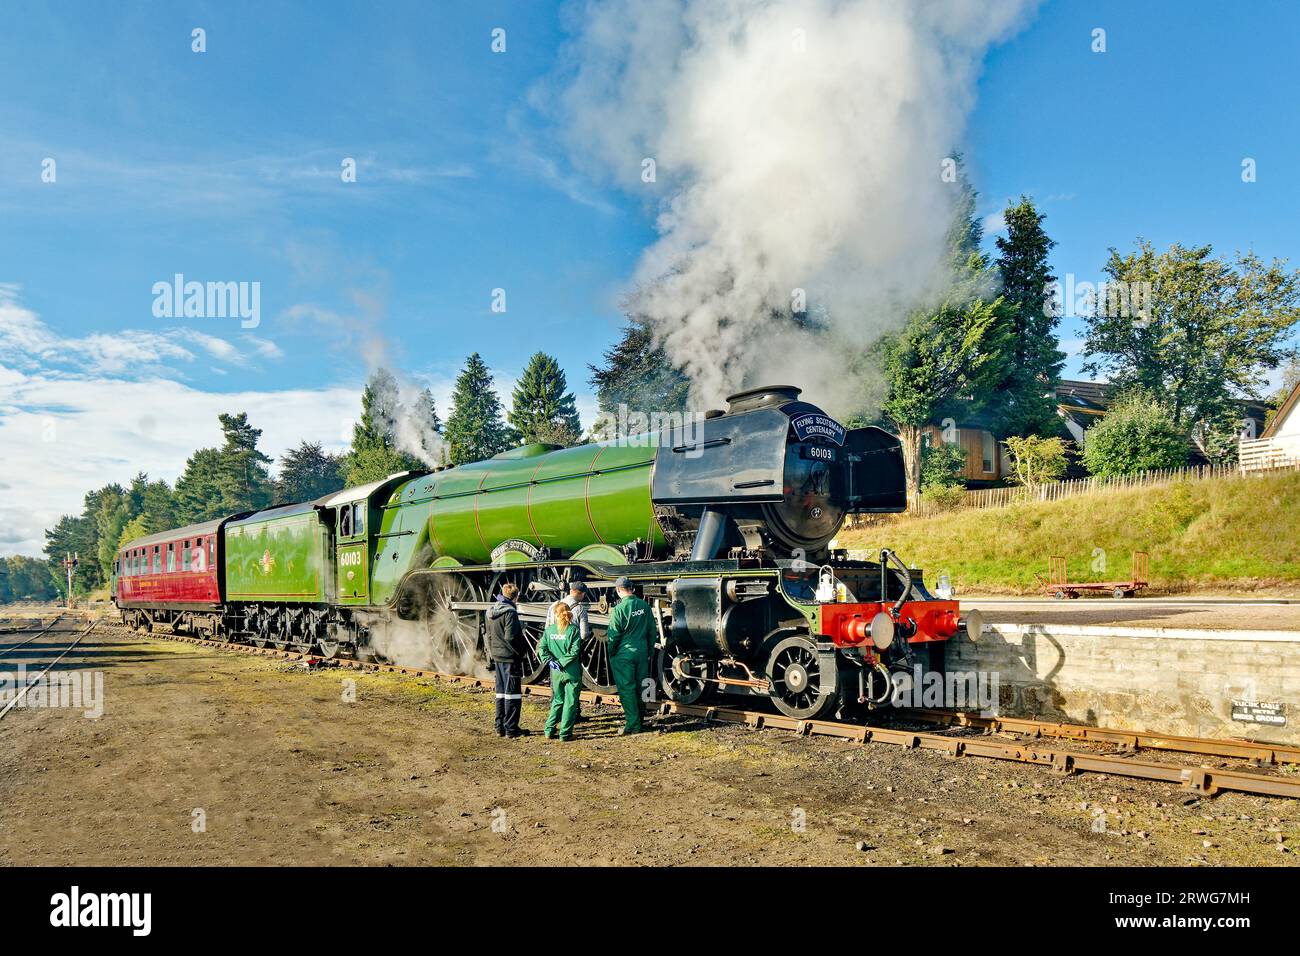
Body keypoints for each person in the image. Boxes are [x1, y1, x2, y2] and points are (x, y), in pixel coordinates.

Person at [604, 576, 656, 735]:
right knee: (642, 686)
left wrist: (611, 652)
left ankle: (633, 725)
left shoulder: (618, 610)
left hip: (624, 654)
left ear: (618, 590)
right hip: (641, 651)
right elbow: (652, 630)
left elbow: (613, 636)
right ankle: (640, 719)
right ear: (632, 588)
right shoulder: (644, 605)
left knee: (627, 688)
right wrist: (650, 651)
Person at [485, 583, 529, 738]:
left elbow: (488, 635)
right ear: (515, 597)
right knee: (512, 694)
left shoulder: (491, 611)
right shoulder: (510, 613)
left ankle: (499, 726)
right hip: (510, 658)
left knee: (501, 693)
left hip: (497, 656)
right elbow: (510, 636)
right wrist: (521, 651)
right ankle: (511, 728)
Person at [547, 580, 591, 720]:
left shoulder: (553, 606)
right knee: (572, 686)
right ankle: (573, 715)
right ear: (581, 594)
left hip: (555, 652)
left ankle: (555, 716)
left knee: (556, 685)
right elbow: (584, 634)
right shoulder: (579, 609)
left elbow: (547, 629)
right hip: (571, 654)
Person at [539, 600, 582, 741]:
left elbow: (542, 649)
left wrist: (551, 661)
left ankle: (549, 730)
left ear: (556, 614)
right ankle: (565, 734)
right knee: (570, 702)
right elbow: (574, 651)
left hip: (556, 673)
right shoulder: (574, 631)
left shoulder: (549, 631)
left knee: (557, 700)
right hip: (572, 671)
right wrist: (562, 662)